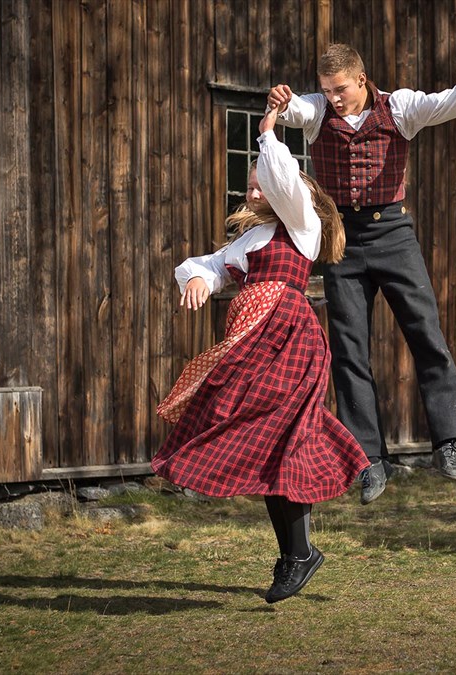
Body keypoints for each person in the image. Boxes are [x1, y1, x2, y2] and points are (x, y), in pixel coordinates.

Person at [267, 38, 456, 505]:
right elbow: (291, 112)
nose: (333, 98)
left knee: (424, 330)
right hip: (340, 240)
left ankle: (448, 442)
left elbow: (449, 102)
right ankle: (369, 459)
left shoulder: (402, 107)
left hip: (392, 233)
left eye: (341, 89)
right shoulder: (315, 112)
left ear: (362, 80)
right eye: (326, 90)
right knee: (349, 350)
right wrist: (279, 101)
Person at [152, 107, 369, 603]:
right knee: (269, 446)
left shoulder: (302, 224)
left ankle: (300, 552)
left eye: (259, 184)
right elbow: (205, 266)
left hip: (288, 338)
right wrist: (202, 282)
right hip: (252, 345)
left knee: (281, 438)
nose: (252, 191)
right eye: (250, 186)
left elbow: (285, 178)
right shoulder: (248, 239)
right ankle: (298, 553)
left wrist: (268, 134)